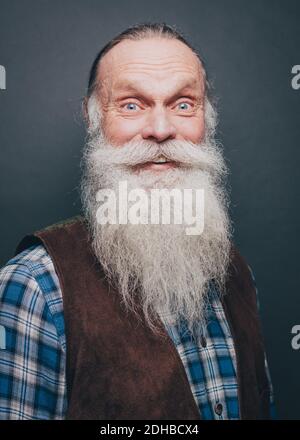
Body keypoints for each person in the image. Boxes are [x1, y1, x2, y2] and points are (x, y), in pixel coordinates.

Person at [0, 22, 275, 420]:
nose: (161, 131)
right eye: (132, 104)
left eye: (183, 104)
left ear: (207, 121)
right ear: (94, 119)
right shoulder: (34, 287)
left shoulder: (237, 274)